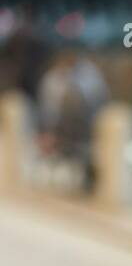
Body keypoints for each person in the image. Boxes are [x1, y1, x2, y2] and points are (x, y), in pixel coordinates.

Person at [35, 48, 109, 192]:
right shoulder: (52, 79)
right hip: (62, 132)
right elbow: (47, 110)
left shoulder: (90, 76)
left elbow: (98, 105)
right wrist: (47, 133)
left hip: (86, 131)